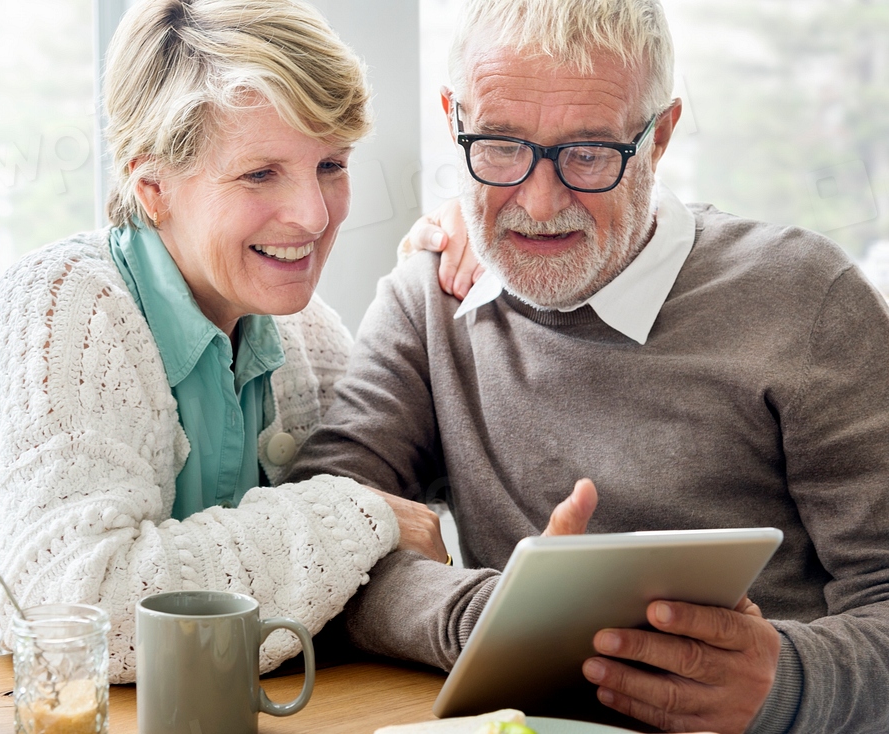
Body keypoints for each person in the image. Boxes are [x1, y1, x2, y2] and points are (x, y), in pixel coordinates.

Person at [289, 0, 889, 732]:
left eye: (589, 154)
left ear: (660, 136)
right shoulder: (429, 302)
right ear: (454, 119)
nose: (539, 203)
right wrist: (493, 616)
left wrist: (787, 683)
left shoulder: (807, 300)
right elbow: (310, 548)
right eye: (502, 146)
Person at [0, 0, 449, 683]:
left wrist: (458, 275)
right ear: (152, 183)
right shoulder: (64, 305)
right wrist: (351, 518)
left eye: (331, 165)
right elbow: (70, 612)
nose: (313, 214)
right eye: (260, 173)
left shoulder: (302, 332)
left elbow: (407, 501)